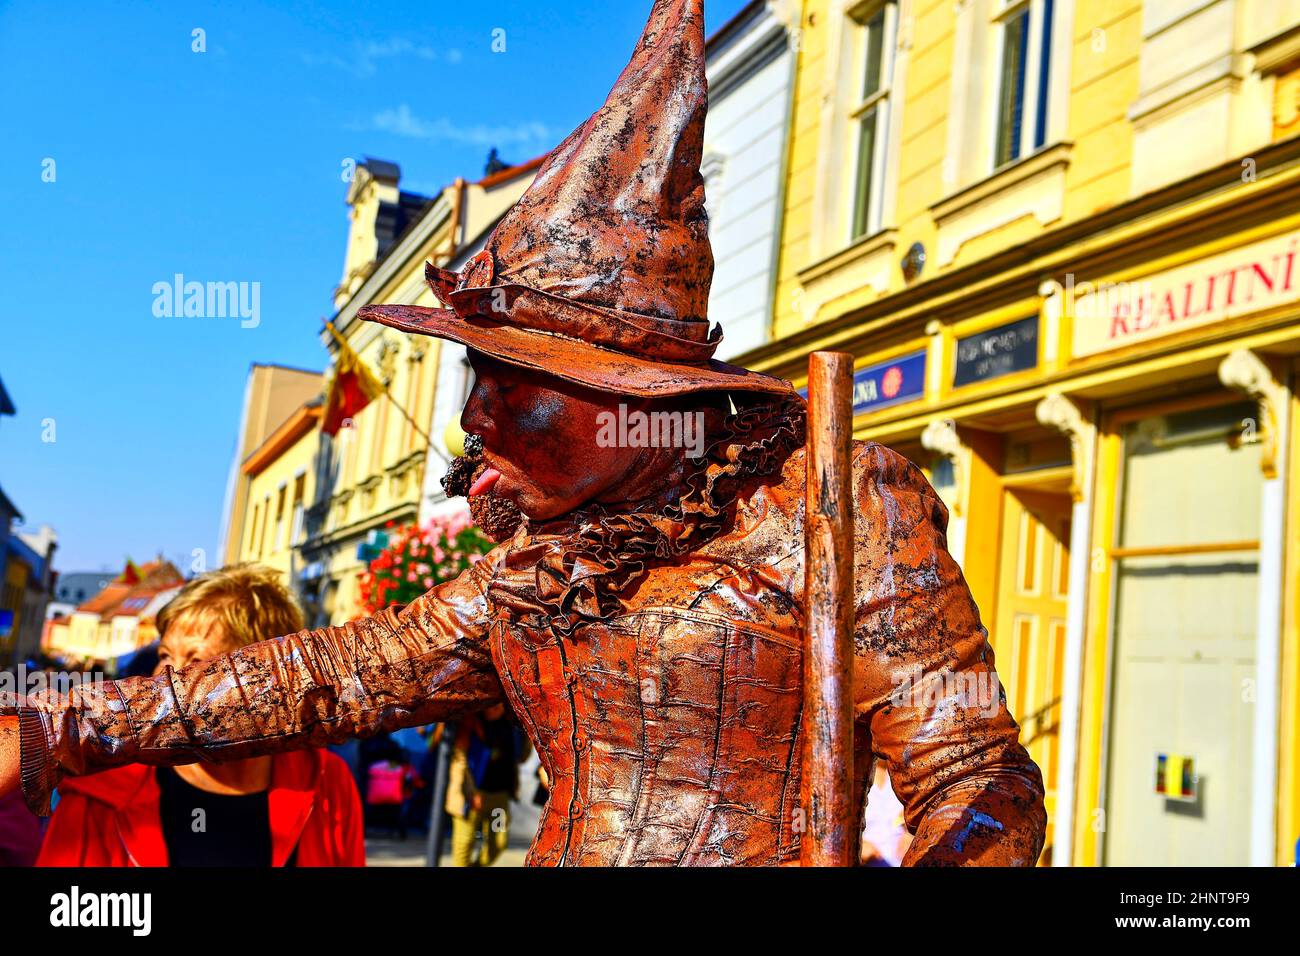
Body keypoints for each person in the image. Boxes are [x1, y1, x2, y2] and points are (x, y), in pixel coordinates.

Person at [0, 0, 1045, 866]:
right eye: (472, 374)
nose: (473, 416)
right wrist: (60, 726)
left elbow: (983, 779)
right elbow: (324, 671)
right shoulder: (538, 561)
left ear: (632, 391)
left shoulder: (837, 504)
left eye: (510, 381)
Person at [30, 565, 365, 867]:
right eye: (164, 654)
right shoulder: (103, 793)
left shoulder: (324, 782)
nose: (164, 675)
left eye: (195, 660)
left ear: (265, 678)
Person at [446, 704, 528, 867]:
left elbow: (522, 756)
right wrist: (470, 792)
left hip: (498, 800)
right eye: (489, 706)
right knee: (464, 845)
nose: (492, 709)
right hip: (471, 799)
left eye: (497, 706)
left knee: (498, 843)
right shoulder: (470, 724)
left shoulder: (513, 727)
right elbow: (459, 761)